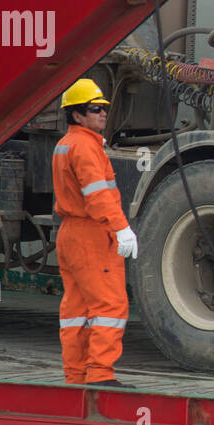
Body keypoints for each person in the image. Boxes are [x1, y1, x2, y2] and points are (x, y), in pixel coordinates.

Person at [53, 78, 138, 387]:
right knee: (109, 306)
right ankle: (100, 375)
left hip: (70, 235)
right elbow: (98, 195)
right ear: (77, 115)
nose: (103, 113)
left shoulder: (65, 144)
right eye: (95, 109)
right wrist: (122, 229)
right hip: (91, 235)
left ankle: (76, 377)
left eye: (104, 108)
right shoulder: (86, 147)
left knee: (76, 309)